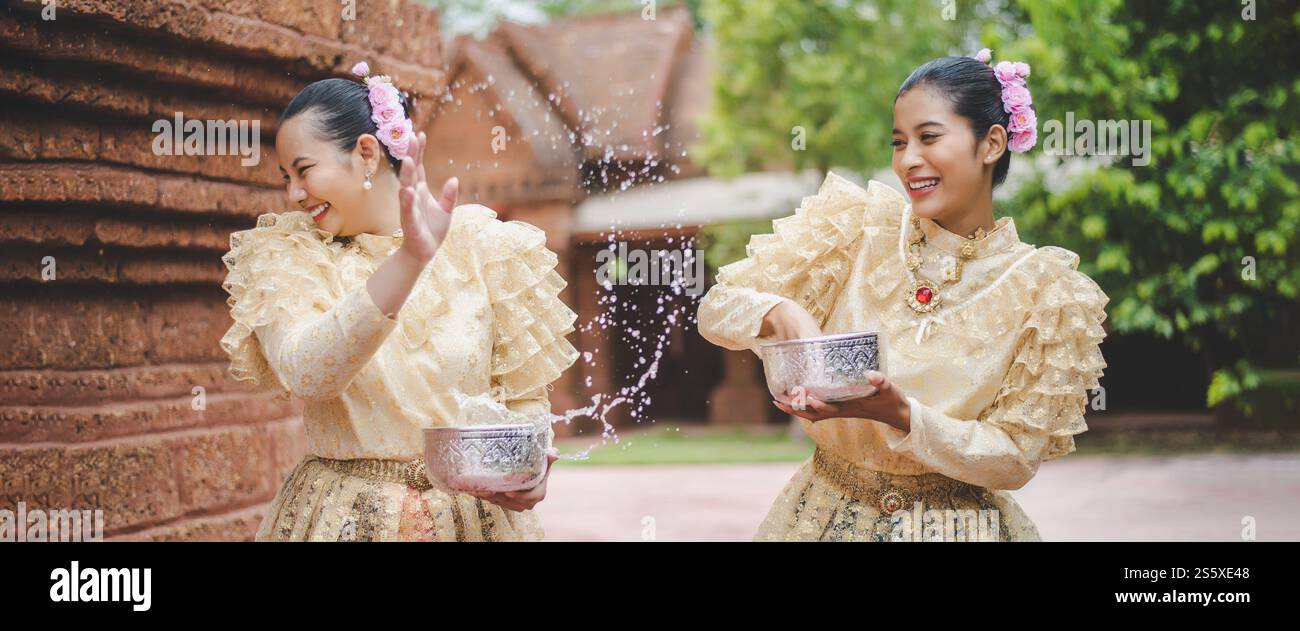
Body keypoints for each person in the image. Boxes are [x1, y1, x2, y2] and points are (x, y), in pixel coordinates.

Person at [697, 50, 1109, 541]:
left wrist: (901, 415)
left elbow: (1015, 458)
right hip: (822, 519)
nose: (908, 160)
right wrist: (779, 311)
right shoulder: (858, 228)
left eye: (929, 137)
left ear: (992, 143)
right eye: (899, 142)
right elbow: (715, 307)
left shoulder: (1046, 290)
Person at [220, 62, 578, 541]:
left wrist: (530, 474)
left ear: (366, 152)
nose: (294, 194)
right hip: (344, 521)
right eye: (286, 176)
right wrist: (411, 259)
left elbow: (524, 396)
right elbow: (307, 373)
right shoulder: (286, 255)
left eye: (304, 170)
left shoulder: (485, 247)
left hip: (474, 522)